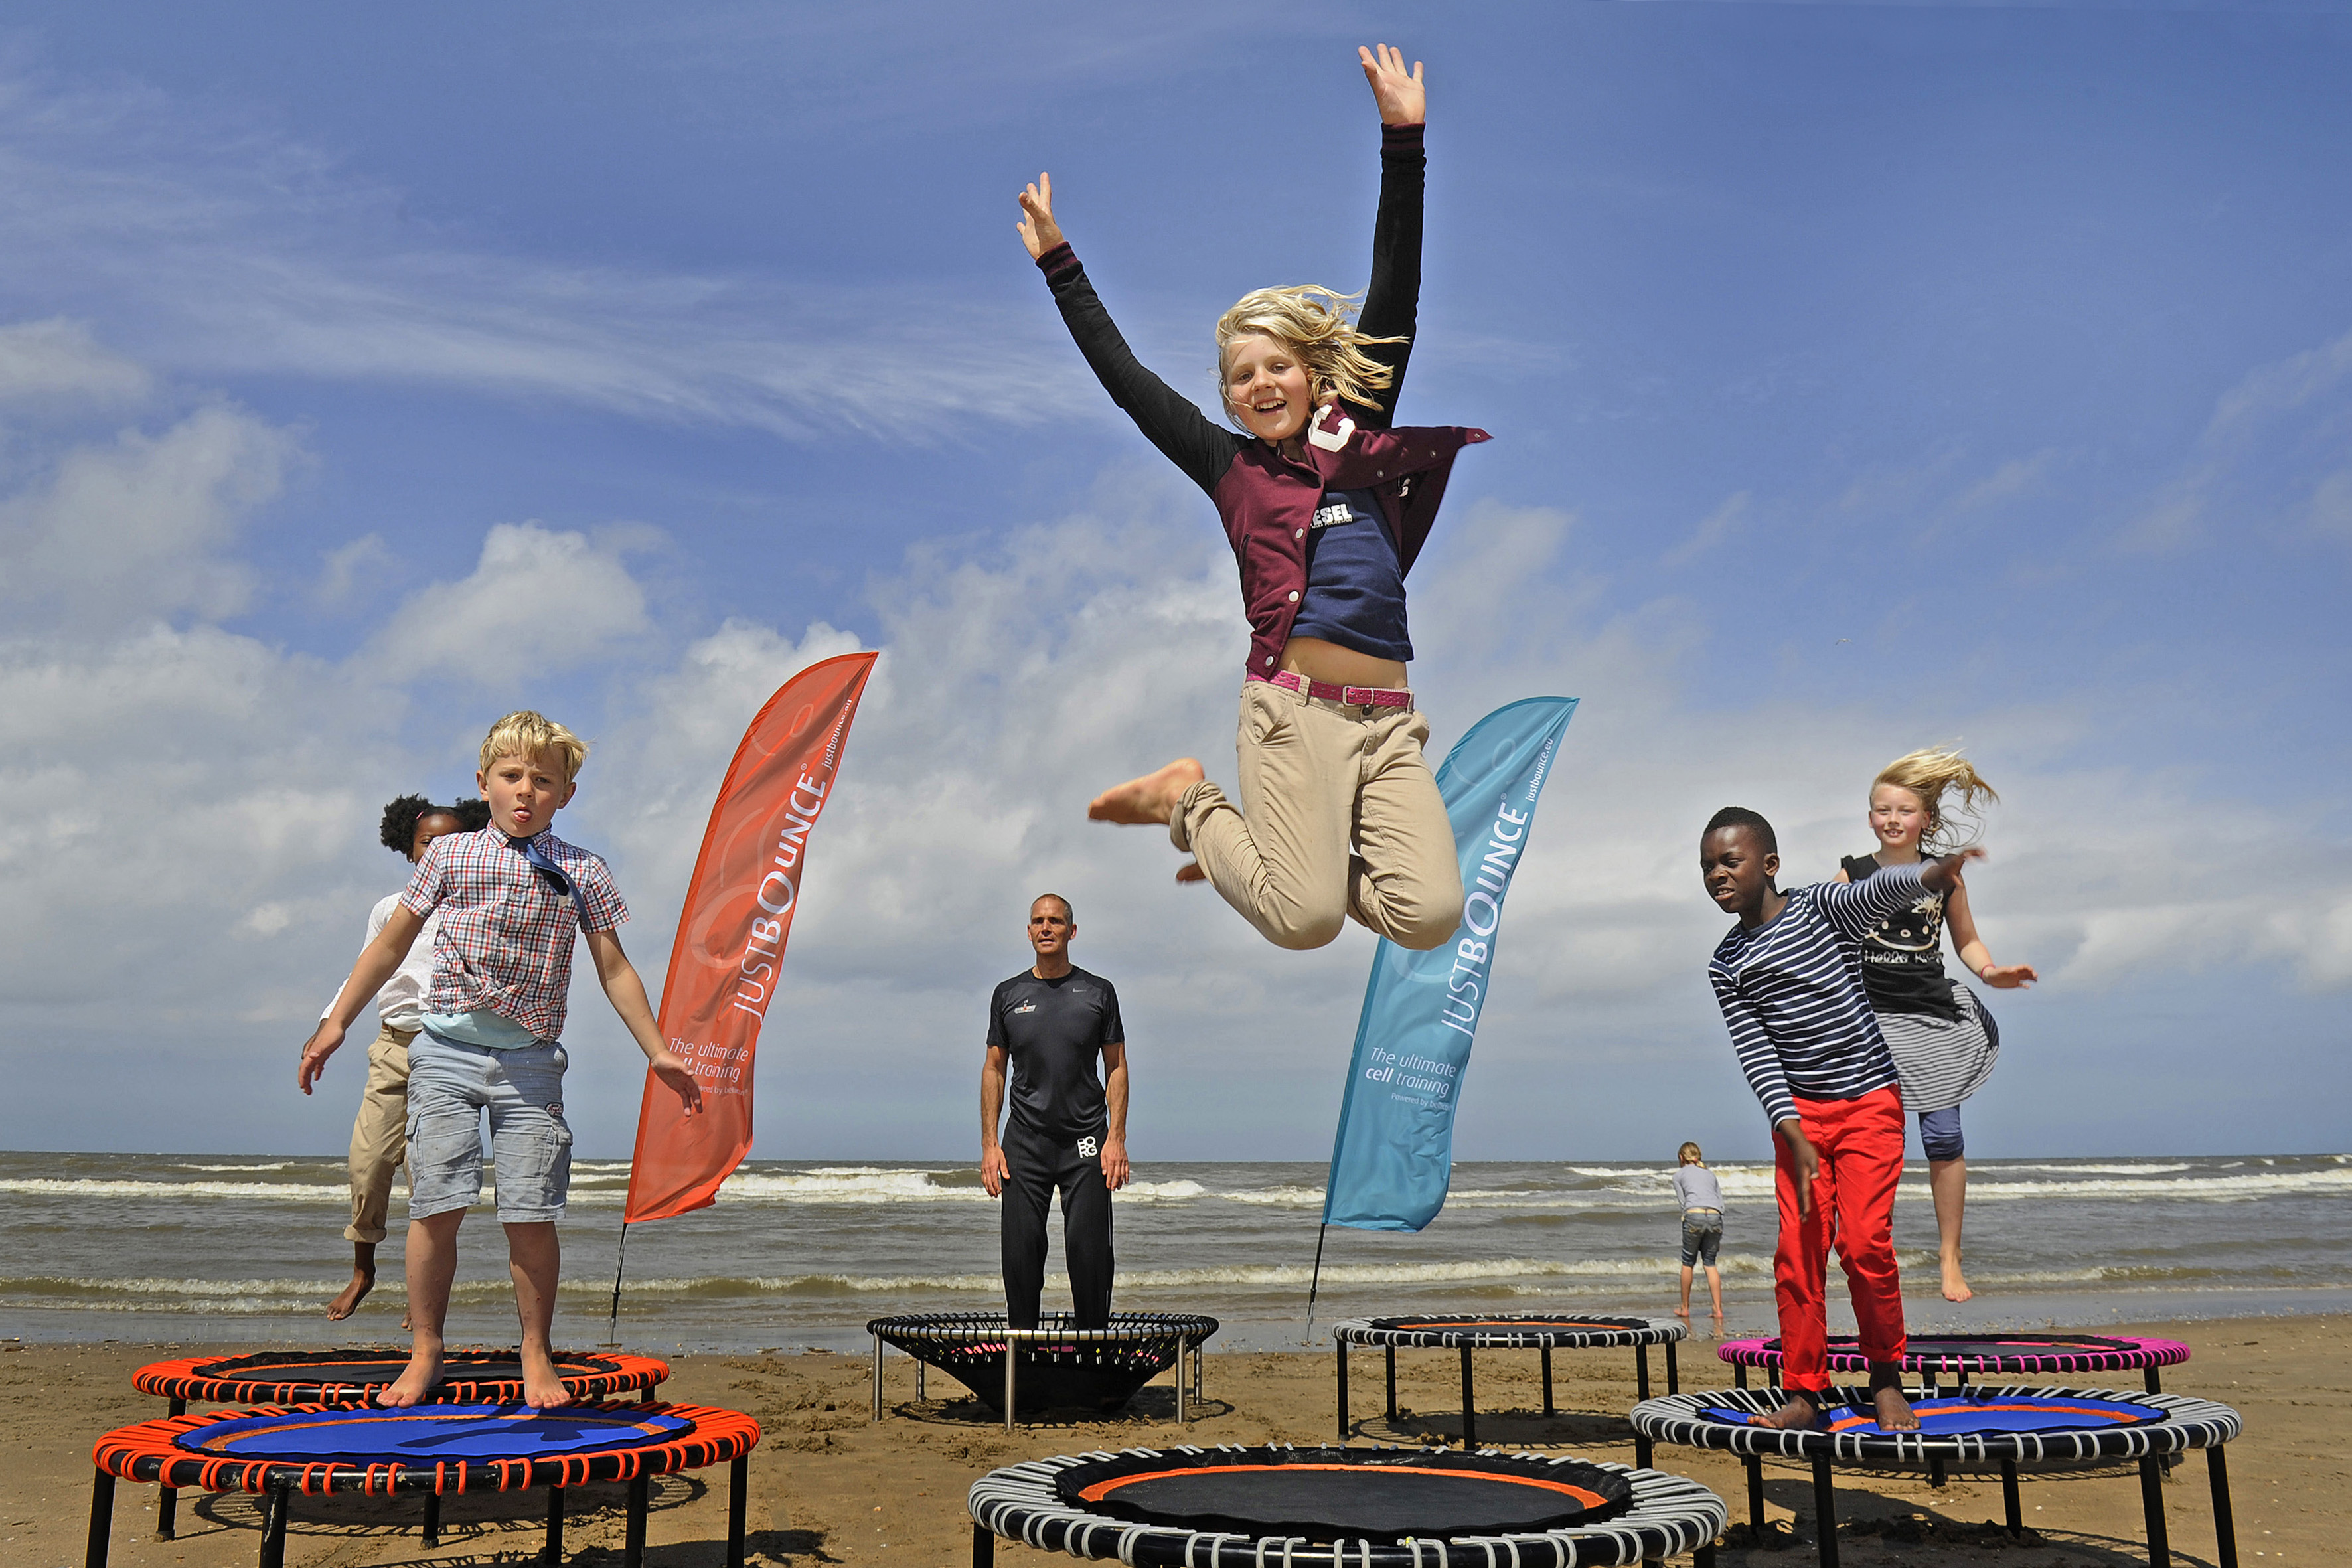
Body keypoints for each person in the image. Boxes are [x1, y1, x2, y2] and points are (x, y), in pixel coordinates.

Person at [1016, 44, 1487, 953]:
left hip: (1387, 722)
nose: (1261, 383)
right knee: (1305, 921)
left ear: (1313, 376)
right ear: (1229, 398)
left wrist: (1403, 139)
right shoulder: (1229, 468)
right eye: (1242, 375)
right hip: (1290, 710)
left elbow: (1396, 296)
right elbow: (1127, 381)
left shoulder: (1355, 432)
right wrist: (1059, 265)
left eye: (1278, 366)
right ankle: (1188, 799)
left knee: (1429, 916)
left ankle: (1282, 854)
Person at [297, 712, 702, 1407]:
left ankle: (535, 1352)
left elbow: (614, 968)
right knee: (437, 1206)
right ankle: (426, 1350)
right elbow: (390, 946)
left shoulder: (583, 870)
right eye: (512, 777)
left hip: (532, 1064)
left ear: (565, 794)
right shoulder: (449, 858)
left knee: (530, 1212)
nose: (526, 792)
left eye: (543, 781)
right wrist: (336, 1021)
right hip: (445, 1053)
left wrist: (659, 1050)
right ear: (483, 784)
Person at [1699, 805, 1981, 1432]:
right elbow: (1757, 1051)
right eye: (1707, 867)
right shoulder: (1726, 964)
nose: (1717, 875)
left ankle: (1885, 1379)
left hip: (1867, 1106)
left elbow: (1876, 889)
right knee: (1796, 1256)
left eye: (1730, 861)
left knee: (1862, 1245)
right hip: (1799, 1120)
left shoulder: (1820, 910)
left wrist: (1930, 877)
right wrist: (1788, 1125)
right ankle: (1804, 1391)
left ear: (1768, 865)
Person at [1835, 746, 2037, 1304]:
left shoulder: (1945, 876)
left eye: (1903, 810)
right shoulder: (1851, 874)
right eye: (1881, 809)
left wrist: (1992, 973)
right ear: (1870, 817)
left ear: (1925, 818)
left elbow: (1966, 940)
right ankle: (1874, 1247)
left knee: (1943, 1136)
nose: (1891, 819)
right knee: (1876, 1140)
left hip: (1931, 1016)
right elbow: (1824, 935)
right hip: (1870, 1021)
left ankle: (1950, 1255)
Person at [319, 792, 491, 1321]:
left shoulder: (480, 906)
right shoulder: (390, 910)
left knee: (432, 1178)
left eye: (452, 842)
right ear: (410, 850)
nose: (438, 850)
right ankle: (363, 1270)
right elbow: (367, 968)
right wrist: (331, 1023)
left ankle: (424, 1295)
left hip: (455, 1051)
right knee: (367, 1163)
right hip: (394, 1046)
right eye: (427, 842)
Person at [979, 895, 1130, 1330]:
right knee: (1020, 1252)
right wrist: (991, 1145)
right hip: (1025, 1141)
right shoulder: (1008, 995)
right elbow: (994, 1069)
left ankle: (1094, 1347)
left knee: (1088, 1251)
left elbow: (1116, 1067)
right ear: (1028, 932)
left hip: (1085, 1140)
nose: (1046, 928)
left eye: (1056, 921)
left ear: (1071, 931)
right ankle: (1022, 1355)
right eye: (1038, 922)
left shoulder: (1098, 992)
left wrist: (1115, 1139)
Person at [1672, 1141, 1725, 1327]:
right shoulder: (1710, 1174)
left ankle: (1685, 1307)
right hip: (1715, 1215)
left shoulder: (1678, 1175)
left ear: (1681, 1158)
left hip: (1694, 1215)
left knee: (1688, 1262)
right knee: (1710, 1263)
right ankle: (1717, 1309)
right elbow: (1720, 1201)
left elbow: (1683, 1203)